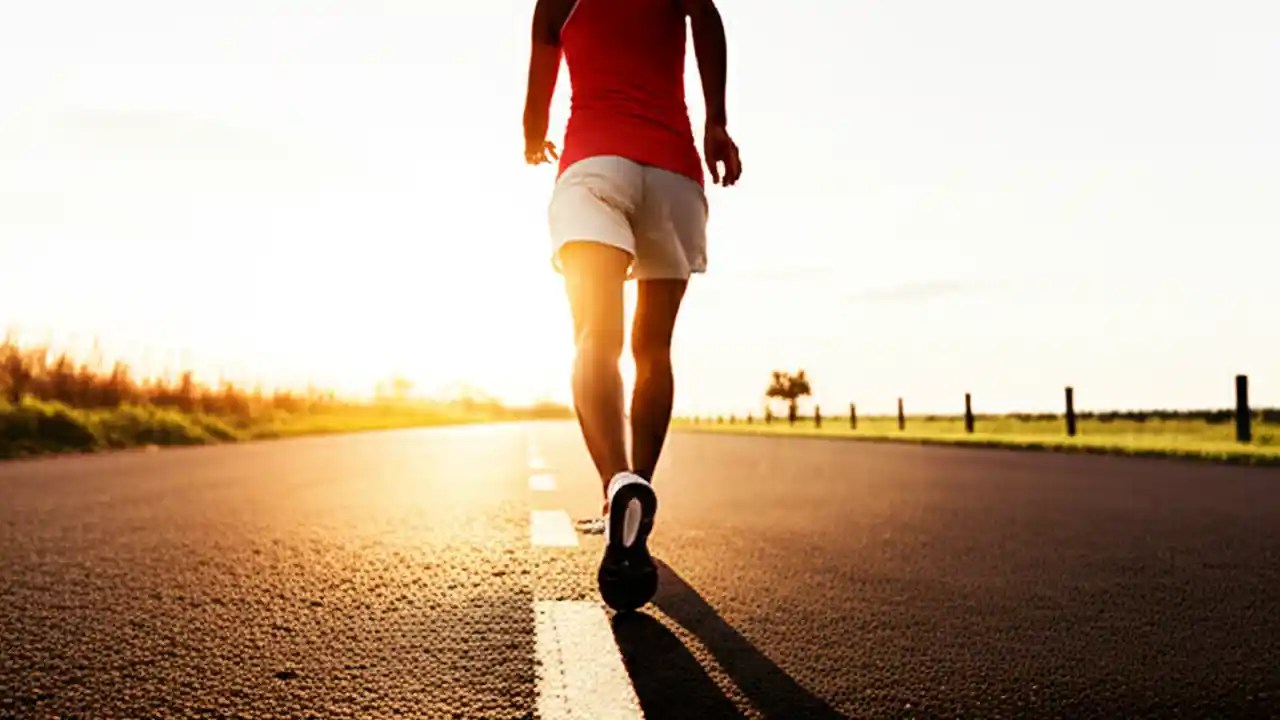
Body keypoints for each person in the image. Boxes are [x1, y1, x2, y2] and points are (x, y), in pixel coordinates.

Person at [523, 0, 741, 611]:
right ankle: (638, 487)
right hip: (673, 171)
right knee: (653, 349)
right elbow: (709, 17)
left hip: (594, 168)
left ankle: (615, 483)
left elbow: (539, 76)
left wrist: (533, 135)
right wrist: (716, 122)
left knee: (596, 335)